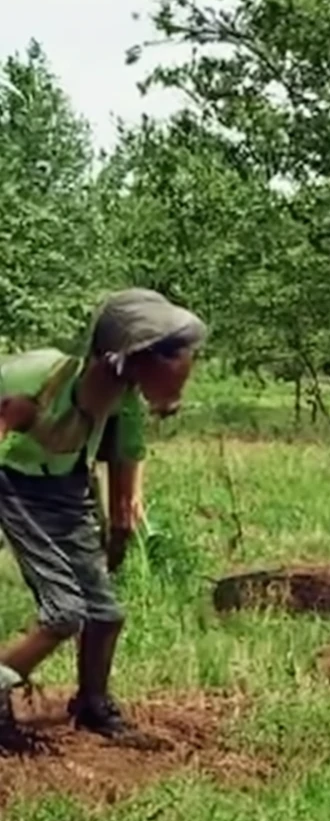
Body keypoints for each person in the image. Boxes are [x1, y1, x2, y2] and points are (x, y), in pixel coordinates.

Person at [0, 288, 206, 740]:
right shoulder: (40, 375)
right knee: (63, 614)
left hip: (67, 489)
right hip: (14, 485)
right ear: (134, 356)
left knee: (105, 612)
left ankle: (93, 702)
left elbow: (126, 463)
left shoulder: (124, 400)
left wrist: (122, 521)